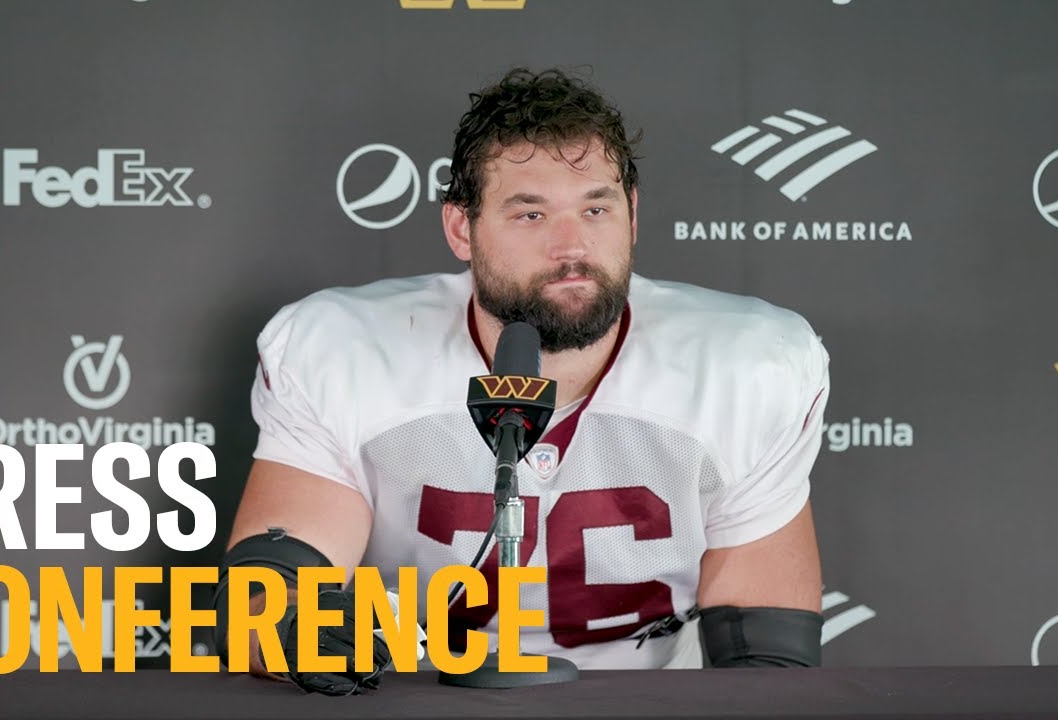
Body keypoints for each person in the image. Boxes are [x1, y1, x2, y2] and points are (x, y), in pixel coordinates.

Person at [215, 67, 830, 695]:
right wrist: (292, 629)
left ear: (633, 214)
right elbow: (263, 601)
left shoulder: (748, 363)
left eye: (597, 207)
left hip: (646, 705)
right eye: (531, 214)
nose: (573, 246)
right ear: (462, 228)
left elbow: (767, 660)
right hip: (411, 700)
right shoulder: (345, 349)